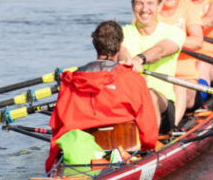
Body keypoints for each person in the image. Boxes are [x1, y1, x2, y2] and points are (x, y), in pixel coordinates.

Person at [45, 20, 159, 170]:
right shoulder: (134, 79)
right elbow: (149, 130)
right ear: (120, 46)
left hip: (80, 155)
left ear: (94, 44)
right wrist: (147, 150)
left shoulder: (70, 81)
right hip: (125, 152)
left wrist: (53, 159)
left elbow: (57, 126)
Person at [119, 0, 185, 135]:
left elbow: (161, 50)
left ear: (160, 6)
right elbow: (121, 49)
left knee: (149, 94)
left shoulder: (174, 32)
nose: (144, 9)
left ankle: (150, 144)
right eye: (139, 3)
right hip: (130, 103)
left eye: (150, 3)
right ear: (132, 5)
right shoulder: (121, 32)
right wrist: (127, 61)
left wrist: (140, 59)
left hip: (163, 107)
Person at [153, 0, 206, 123]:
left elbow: (197, 41)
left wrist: (170, 43)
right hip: (156, 77)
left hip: (186, 79)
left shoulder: (189, 9)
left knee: (179, 85)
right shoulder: (149, 11)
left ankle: (172, 128)